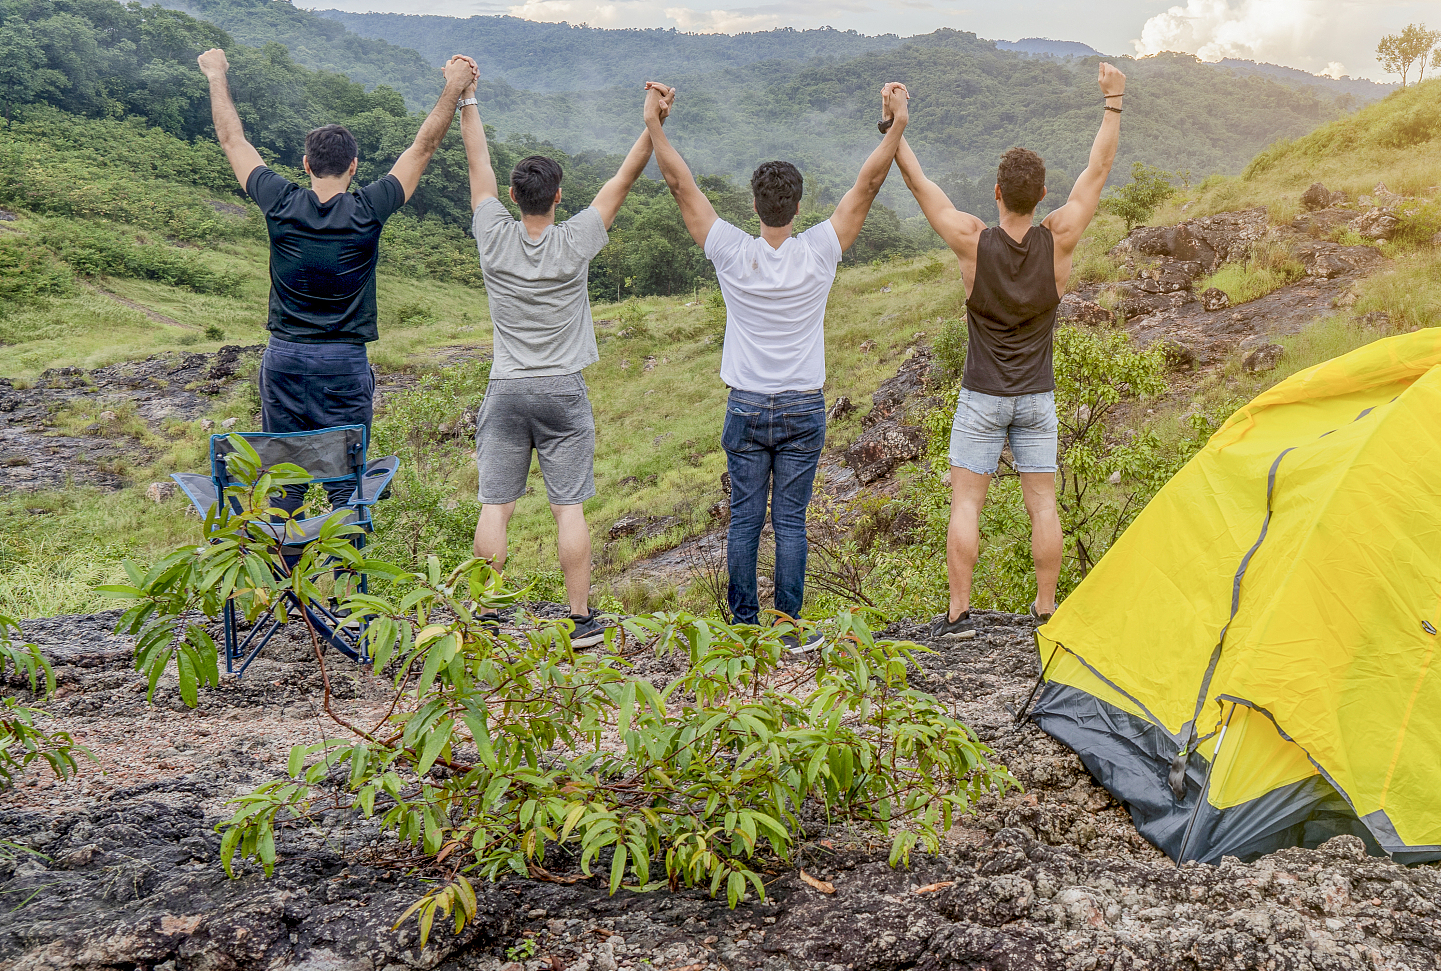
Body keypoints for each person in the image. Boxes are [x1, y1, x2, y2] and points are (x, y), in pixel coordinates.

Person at [641, 78, 908, 627]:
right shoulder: (820, 251)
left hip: (745, 404)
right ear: (798, 206)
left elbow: (680, 185)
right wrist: (896, 123)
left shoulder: (731, 250)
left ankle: (744, 627)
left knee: (744, 522)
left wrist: (654, 125)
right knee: (790, 523)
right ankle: (787, 626)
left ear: (754, 205)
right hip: (803, 406)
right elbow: (868, 184)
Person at [893, 61, 1126, 640]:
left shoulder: (973, 242)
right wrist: (1114, 101)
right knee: (1042, 505)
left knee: (966, 505)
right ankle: (1046, 610)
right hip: (1037, 397)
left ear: (997, 193)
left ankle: (959, 615)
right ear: (1043, 195)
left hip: (981, 396)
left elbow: (921, 187)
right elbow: (1098, 170)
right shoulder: (1059, 240)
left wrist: (897, 124)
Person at [458, 75, 668, 650]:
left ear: (513, 195)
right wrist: (652, 121)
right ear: (557, 197)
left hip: (506, 385)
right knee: (567, 507)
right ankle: (579, 621)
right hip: (562, 389)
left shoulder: (492, 235)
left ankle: (485, 614)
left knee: (495, 506)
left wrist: (467, 100)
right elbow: (622, 179)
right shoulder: (575, 239)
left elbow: (478, 165)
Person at [198, 45, 468, 440]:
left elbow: (232, 140)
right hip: (343, 361)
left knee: (283, 468)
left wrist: (216, 75)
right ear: (353, 166)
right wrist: (455, 87)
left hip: (285, 357)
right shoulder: (370, 208)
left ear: (306, 164)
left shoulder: (279, 201)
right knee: (345, 468)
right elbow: (422, 147)